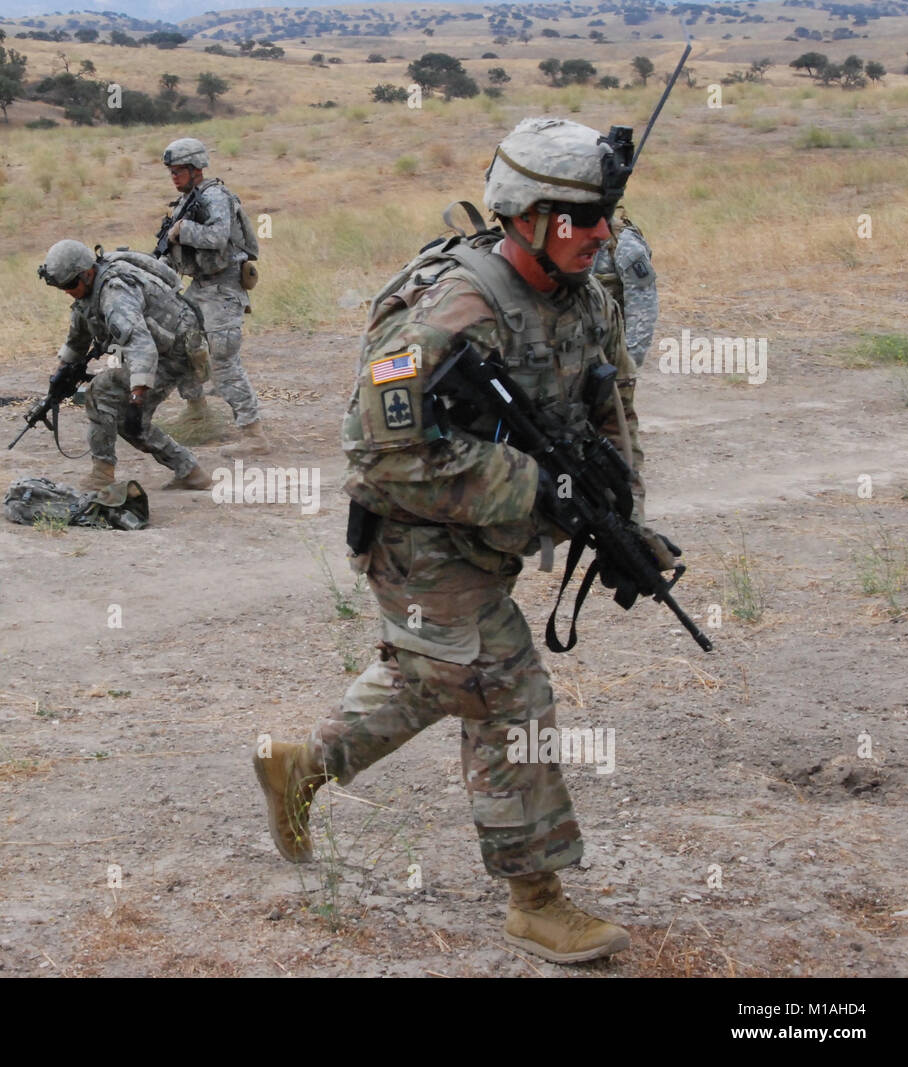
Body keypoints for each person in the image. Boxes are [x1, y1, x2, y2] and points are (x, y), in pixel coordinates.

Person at [254, 118, 673, 965]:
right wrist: (538, 490)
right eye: (583, 216)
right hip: (418, 542)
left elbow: (607, 412)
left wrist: (618, 519)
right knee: (505, 692)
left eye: (608, 215)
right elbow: (380, 454)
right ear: (527, 216)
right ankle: (537, 899)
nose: (603, 233)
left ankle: (302, 765)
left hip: (486, 537)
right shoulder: (452, 309)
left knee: (435, 674)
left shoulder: (582, 295)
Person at [41, 239, 214, 491]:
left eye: (70, 285)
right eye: (61, 287)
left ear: (87, 273)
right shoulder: (89, 289)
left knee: (107, 398)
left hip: (173, 353)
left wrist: (136, 398)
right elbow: (78, 338)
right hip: (159, 347)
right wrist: (59, 377)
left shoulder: (115, 294)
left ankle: (102, 475)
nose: (67, 291)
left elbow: (141, 346)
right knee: (127, 421)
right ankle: (190, 471)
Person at [156, 137, 270, 458]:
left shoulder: (216, 197)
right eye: (171, 171)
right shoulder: (186, 201)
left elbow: (218, 238)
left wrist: (184, 231)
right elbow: (171, 252)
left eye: (179, 170)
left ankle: (254, 434)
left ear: (196, 169)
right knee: (182, 346)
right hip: (200, 287)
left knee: (223, 360)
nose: (174, 176)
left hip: (224, 288)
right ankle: (196, 409)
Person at [593, 211, 658, 368]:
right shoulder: (563, 234)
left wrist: (628, 364)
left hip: (606, 354)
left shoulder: (624, 244)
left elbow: (643, 309)